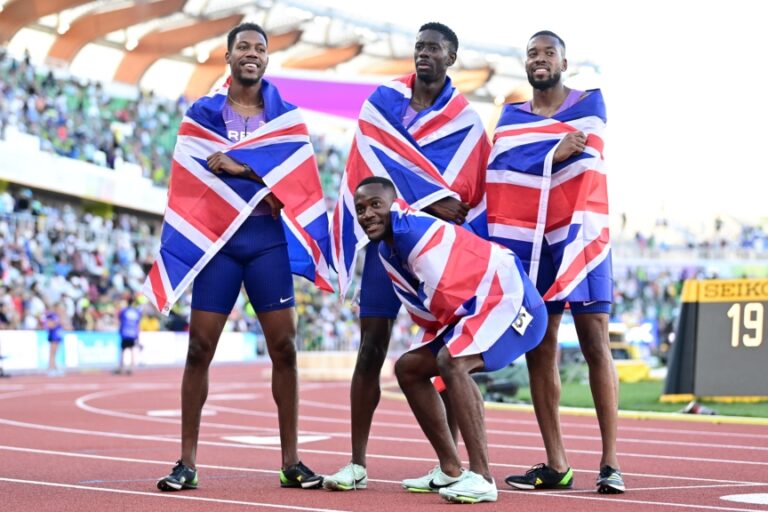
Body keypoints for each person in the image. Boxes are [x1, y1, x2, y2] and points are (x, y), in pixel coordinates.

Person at [148, 22, 333, 492]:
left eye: (259, 48)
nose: (252, 54)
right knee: (199, 349)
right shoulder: (202, 113)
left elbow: (297, 186)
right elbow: (191, 180)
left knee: (285, 350)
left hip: (266, 244)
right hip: (218, 246)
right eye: (243, 47)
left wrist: (242, 169)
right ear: (227, 57)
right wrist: (258, 180)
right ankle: (186, 462)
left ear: (268, 60)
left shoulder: (287, 119)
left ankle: (291, 461)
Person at [326, 21, 491, 491]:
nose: (424, 54)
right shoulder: (381, 105)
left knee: (445, 354)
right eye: (419, 46)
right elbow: (370, 173)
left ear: (451, 58)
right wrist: (424, 199)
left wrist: (430, 203)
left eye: (434, 48)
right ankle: (356, 463)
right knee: (370, 349)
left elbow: (464, 200)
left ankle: (452, 467)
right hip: (385, 252)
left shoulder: (466, 122)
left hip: (436, 254)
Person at [486, 30, 624, 494]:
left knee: (595, 344)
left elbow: (588, 156)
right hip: (531, 242)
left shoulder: (591, 104)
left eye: (548, 53)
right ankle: (556, 462)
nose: (539, 59)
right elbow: (501, 166)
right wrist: (550, 152)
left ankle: (610, 464)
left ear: (565, 61)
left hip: (580, 238)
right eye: (532, 53)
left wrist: (540, 157)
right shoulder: (510, 116)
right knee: (539, 347)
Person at [353, 177, 546, 503]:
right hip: (482, 302)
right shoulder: (387, 247)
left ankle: (483, 478)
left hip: (516, 303)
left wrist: (445, 354)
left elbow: (448, 304)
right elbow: (427, 308)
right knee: (408, 368)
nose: (368, 214)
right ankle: (451, 469)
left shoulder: (414, 236)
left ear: (394, 204)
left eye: (376, 205)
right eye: (360, 209)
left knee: (452, 362)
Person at [113, 294, 142, 375]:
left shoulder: (124, 311)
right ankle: (131, 368)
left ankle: (121, 367)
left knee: (123, 350)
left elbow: (119, 320)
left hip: (125, 332)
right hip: (133, 333)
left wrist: (120, 330)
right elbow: (138, 323)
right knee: (132, 349)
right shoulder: (136, 312)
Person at [44, 302, 66, 377]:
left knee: (55, 353)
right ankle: (51, 368)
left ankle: (55, 368)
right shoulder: (51, 315)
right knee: (52, 353)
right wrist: (57, 322)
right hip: (53, 336)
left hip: (58, 336)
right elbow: (50, 325)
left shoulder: (59, 316)